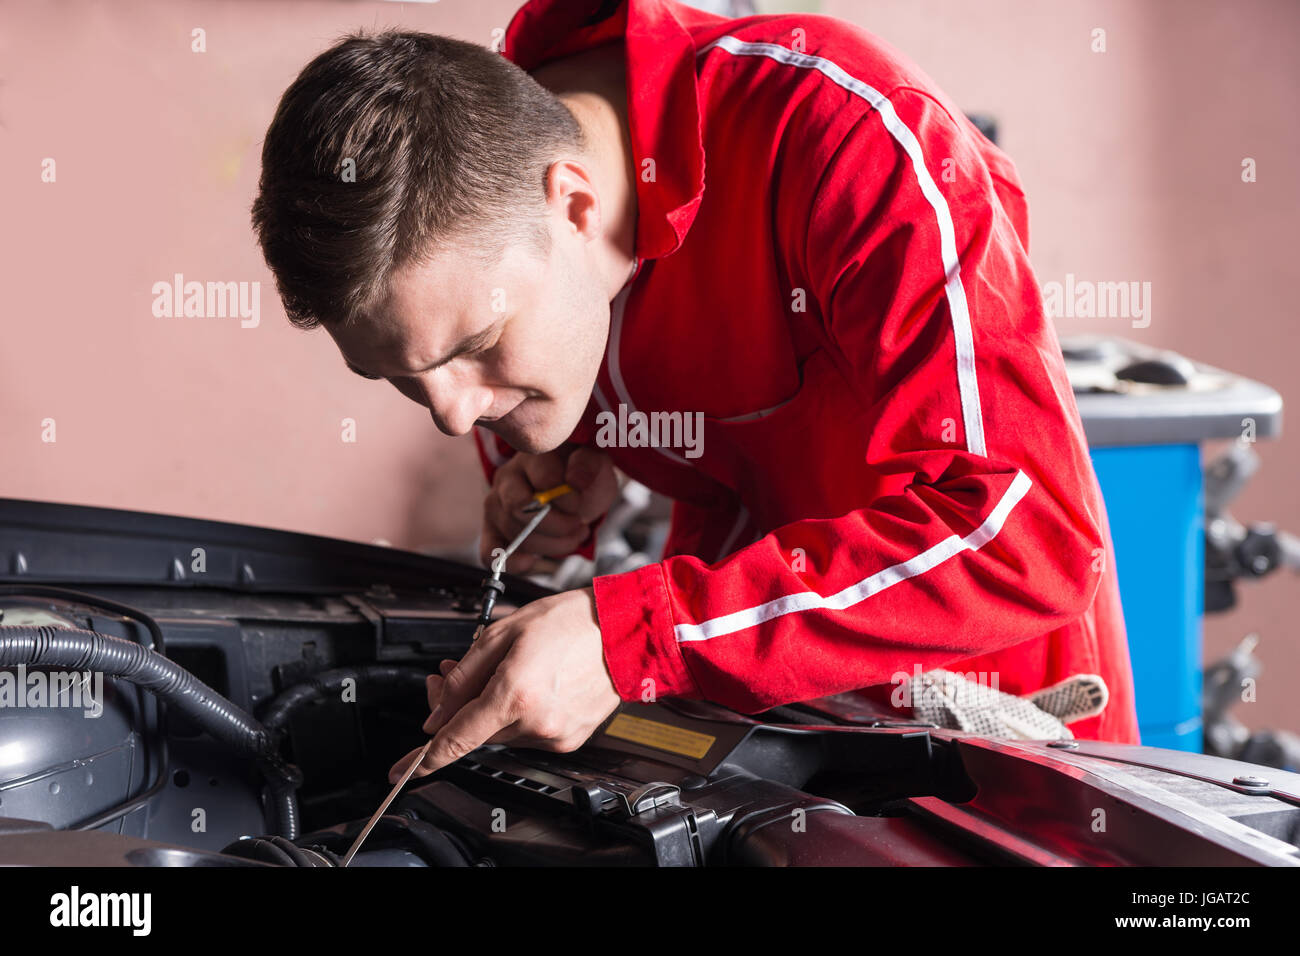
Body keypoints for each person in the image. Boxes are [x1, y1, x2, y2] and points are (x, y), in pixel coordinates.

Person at [249, 0, 1141, 785]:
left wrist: (636, 636)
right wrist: (559, 475)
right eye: (401, 378)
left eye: (478, 346)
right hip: (758, 736)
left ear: (573, 205)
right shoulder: (496, 189)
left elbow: (1029, 543)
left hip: (992, 740)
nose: (449, 415)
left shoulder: (847, 133)